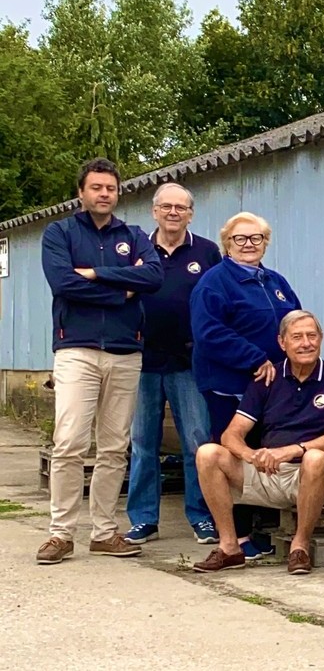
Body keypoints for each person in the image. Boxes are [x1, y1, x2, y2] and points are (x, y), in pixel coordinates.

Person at [36, 158, 164, 564]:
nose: (104, 194)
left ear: (118, 192)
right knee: (70, 443)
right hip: (77, 349)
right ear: (81, 192)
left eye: (110, 188)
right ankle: (61, 534)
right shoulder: (60, 233)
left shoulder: (134, 235)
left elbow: (154, 277)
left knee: (114, 447)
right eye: (96, 187)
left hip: (125, 352)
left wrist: (93, 273)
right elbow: (63, 282)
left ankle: (105, 532)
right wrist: (122, 289)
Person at [192, 310, 324, 575]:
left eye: (312, 336)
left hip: (315, 476)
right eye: (297, 337)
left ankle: (299, 547)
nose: (306, 343)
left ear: (321, 338)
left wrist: (291, 451)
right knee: (207, 453)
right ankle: (230, 547)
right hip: (269, 473)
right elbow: (231, 435)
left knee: (315, 457)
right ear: (282, 342)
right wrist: (251, 455)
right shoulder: (269, 378)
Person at [190, 211, 301, 560]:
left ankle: (260, 530)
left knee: (262, 453)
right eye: (240, 238)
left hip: (271, 386)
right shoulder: (214, 283)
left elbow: (294, 323)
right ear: (227, 243)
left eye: (256, 238)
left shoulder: (275, 282)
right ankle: (235, 535)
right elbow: (209, 333)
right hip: (230, 384)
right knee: (231, 454)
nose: (249, 244)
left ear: (265, 243)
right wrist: (255, 359)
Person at [123, 184, 223, 546]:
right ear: (154, 211)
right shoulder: (137, 250)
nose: (173, 213)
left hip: (188, 361)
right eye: (166, 206)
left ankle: (202, 516)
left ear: (190, 214)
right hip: (143, 360)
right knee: (142, 444)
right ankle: (143, 519)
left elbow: (219, 300)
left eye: (181, 207)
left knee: (197, 441)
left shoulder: (207, 252)